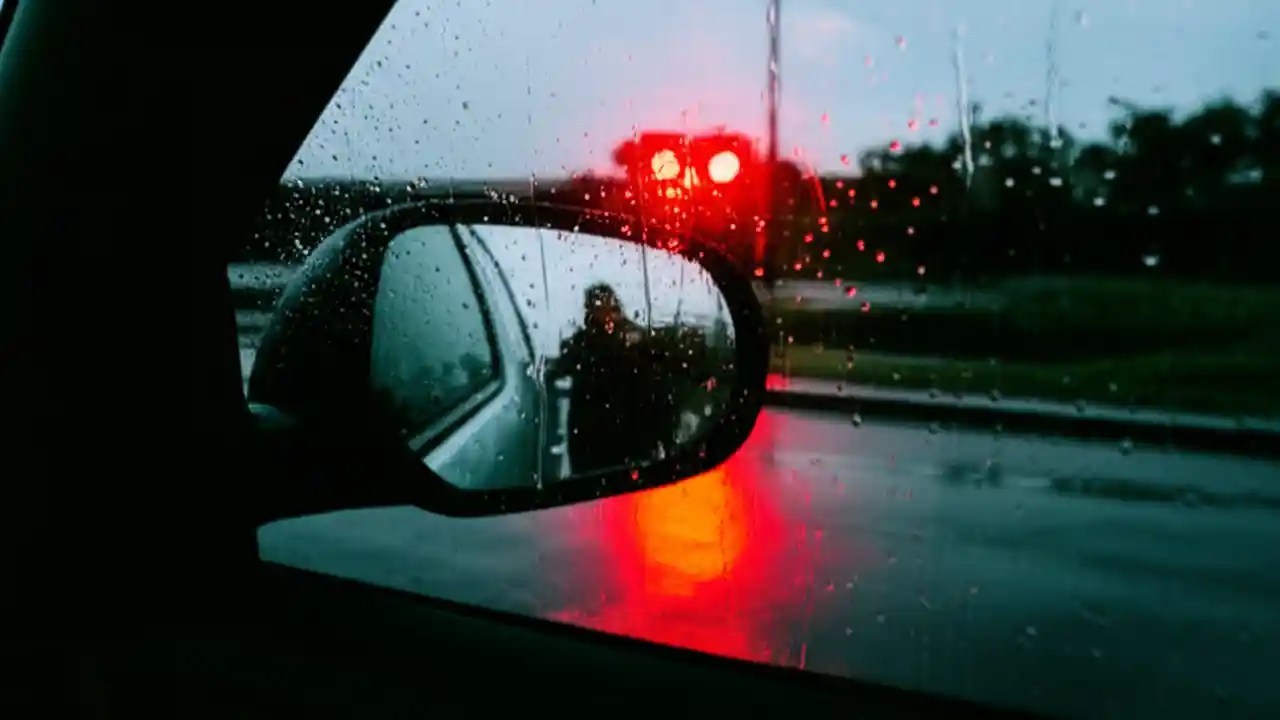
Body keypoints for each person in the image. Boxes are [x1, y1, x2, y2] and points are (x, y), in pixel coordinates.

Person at [554, 283, 672, 475]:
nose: (603, 311)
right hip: (591, 442)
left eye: (606, 304)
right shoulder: (581, 343)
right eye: (597, 306)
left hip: (632, 439)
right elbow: (562, 367)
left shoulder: (638, 340)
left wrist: (664, 437)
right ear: (590, 310)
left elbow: (659, 385)